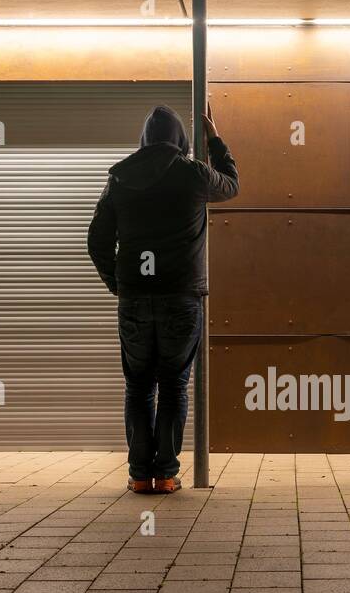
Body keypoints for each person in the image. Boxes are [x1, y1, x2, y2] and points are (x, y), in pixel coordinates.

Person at [87, 103, 239, 493]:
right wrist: (216, 140)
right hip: (180, 296)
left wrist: (117, 283)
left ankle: (140, 476)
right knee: (174, 385)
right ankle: (166, 474)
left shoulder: (119, 178)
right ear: (180, 139)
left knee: (138, 387)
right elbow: (232, 185)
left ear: (144, 139)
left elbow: (97, 241)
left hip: (135, 298)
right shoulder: (192, 174)